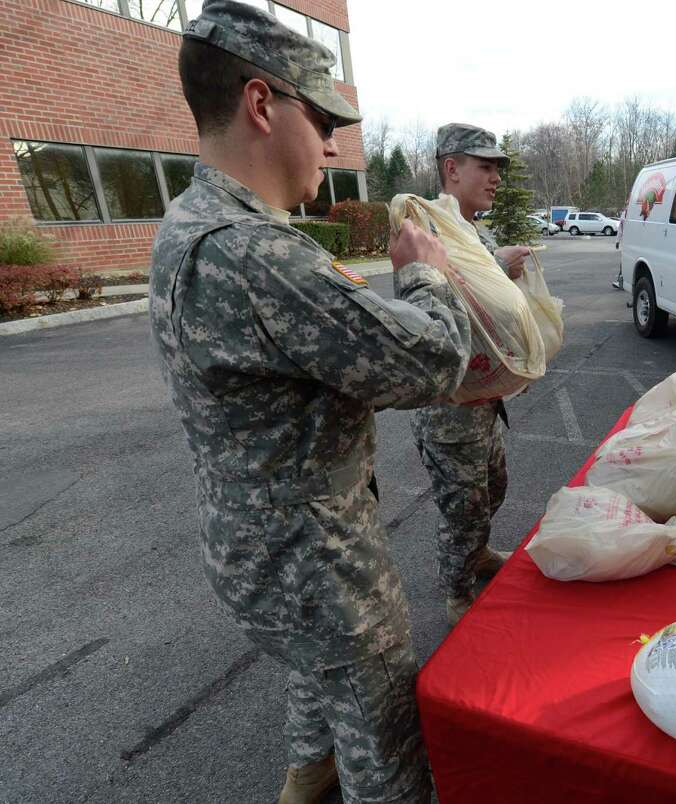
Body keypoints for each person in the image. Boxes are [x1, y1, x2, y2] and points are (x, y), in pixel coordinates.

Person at [149, 3, 471, 802]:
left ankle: (305, 778)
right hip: (317, 567)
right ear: (262, 105)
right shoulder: (254, 253)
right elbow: (429, 362)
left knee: (314, 676)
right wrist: (425, 271)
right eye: (321, 117)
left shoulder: (187, 221)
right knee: (389, 752)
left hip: (253, 548)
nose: (331, 144)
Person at [410, 123, 532, 626]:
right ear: (451, 168)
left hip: (481, 402)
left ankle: (477, 555)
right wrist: (499, 271)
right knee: (462, 510)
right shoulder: (424, 230)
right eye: (485, 166)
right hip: (450, 409)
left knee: (494, 488)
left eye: (499, 168)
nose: (496, 177)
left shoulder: (474, 233)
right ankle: (457, 592)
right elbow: (442, 304)